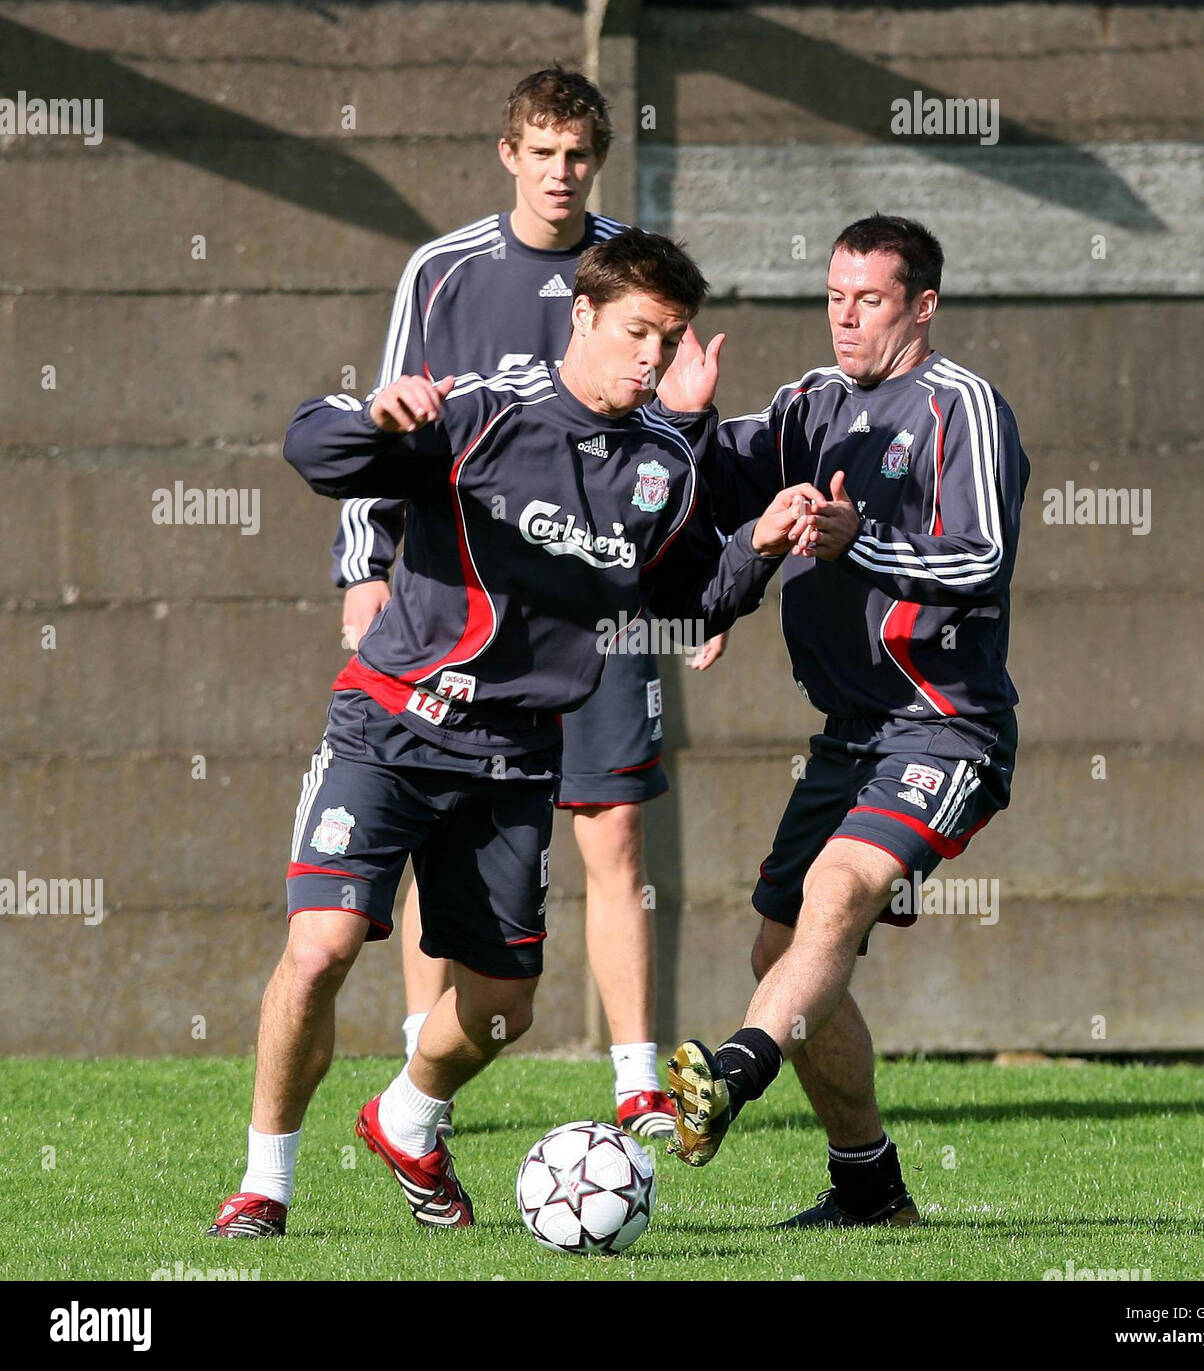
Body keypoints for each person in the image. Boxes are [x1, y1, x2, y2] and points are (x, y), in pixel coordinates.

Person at [208, 228, 816, 1236]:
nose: (651, 360)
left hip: (515, 754)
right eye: (636, 334)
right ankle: (263, 1186)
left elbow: (682, 609)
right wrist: (374, 418)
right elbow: (311, 450)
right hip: (390, 726)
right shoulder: (485, 412)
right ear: (580, 316)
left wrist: (755, 547)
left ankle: (405, 1116)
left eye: (667, 343)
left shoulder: (662, 468)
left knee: (501, 1011)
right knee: (318, 949)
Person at [335, 66, 722, 1141]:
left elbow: (670, 455)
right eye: (542, 153)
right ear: (510, 154)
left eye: (578, 156)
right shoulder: (444, 269)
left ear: (597, 161)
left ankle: (635, 1080)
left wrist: (704, 602)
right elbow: (388, 428)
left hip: (594, 607)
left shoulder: (633, 270)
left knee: (613, 829)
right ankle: (424, 1069)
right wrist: (361, 570)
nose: (560, 174)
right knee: (432, 820)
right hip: (460, 600)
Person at [654, 214, 1030, 1228]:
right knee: (780, 953)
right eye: (833, 296)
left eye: (869, 300)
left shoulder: (964, 408)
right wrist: (686, 419)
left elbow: (977, 560)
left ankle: (729, 1073)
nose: (846, 318)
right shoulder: (807, 404)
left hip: (944, 724)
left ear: (921, 305)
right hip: (849, 736)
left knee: (838, 886)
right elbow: (709, 491)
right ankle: (869, 1187)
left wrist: (856, 543)